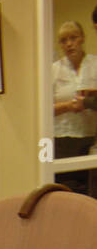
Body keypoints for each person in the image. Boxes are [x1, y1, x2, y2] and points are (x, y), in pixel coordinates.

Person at [51, 21, 97, 197]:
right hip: (63, 141)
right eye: (63, 40)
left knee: (91, 193)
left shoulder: (94, 64)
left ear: (82, 38)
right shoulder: (54, 70)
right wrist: (68, 106)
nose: (69, 44)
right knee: (68, 193)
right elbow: (43, 111)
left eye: (73, 38)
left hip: (91, 138)